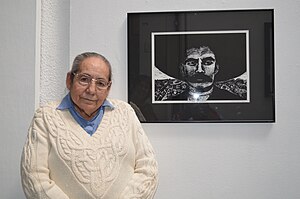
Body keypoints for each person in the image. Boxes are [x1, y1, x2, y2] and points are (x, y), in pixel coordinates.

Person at [20, 52, 159, 199]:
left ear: (108, 87)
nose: (91, 90)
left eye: (100, 83)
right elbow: (34, 177)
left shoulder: (125, 112)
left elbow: (147, 167)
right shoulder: (45, 117)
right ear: (69, 80)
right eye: (84, 79)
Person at [154, 46, 245, 101]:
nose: (200, 70)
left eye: (207, 63)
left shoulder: (231, 99)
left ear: (216, 68)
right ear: (183, 69)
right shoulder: (171, 103)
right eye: (192, 63)